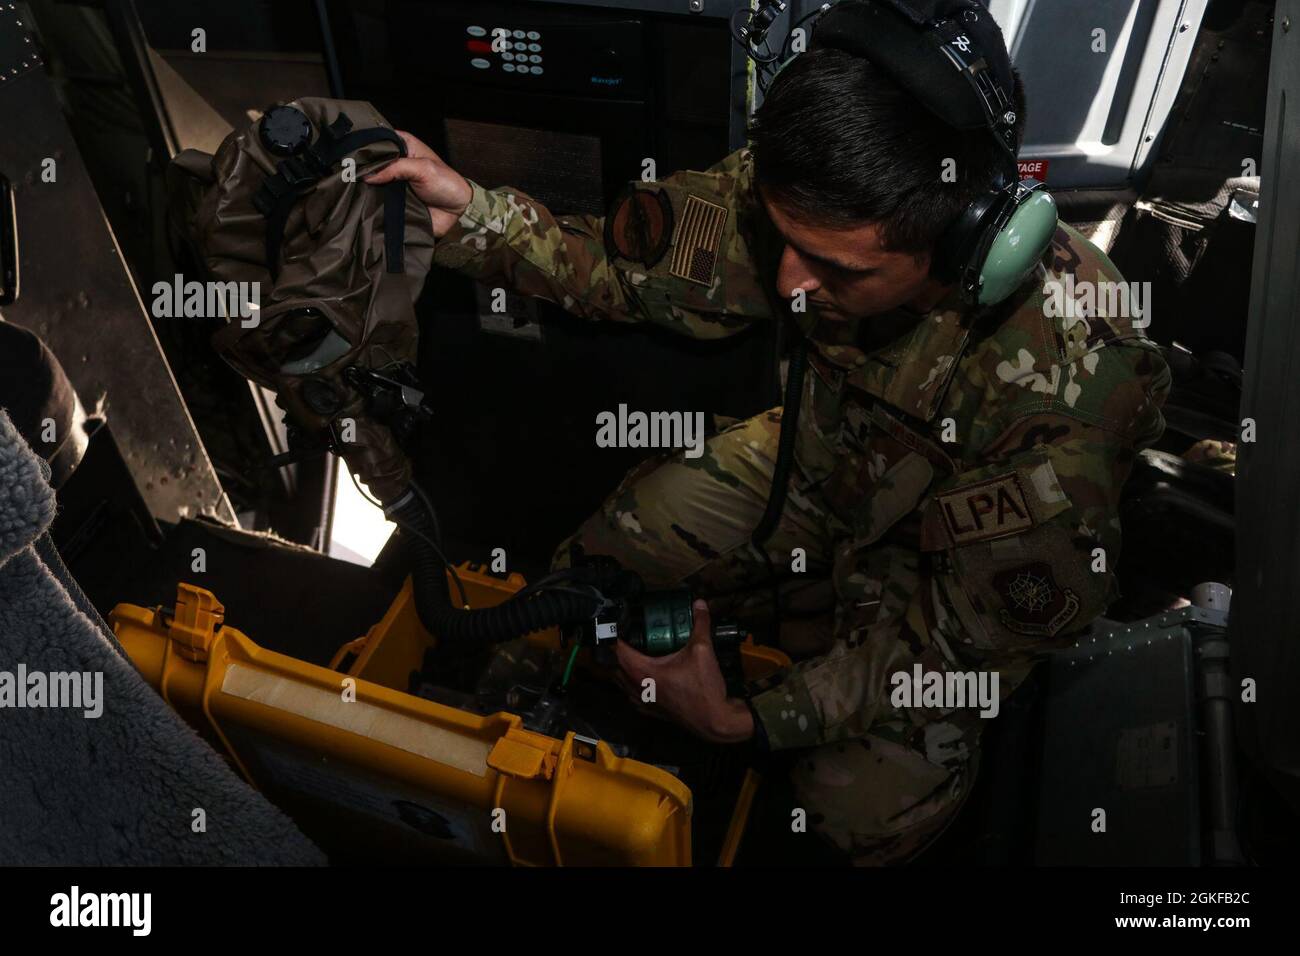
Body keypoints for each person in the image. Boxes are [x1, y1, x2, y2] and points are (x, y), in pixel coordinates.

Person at [365, 2, 1170, 864]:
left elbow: (958, 642)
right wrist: (471, 215)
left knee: (853, 810)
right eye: (788, 243)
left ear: (972, 243)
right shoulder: (811, 193)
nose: (789, 283)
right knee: (608, 553)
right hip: (819, 466)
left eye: (836, 269)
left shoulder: (1078, 390)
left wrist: (747, 721)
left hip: (941, 575)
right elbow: (631, 270)